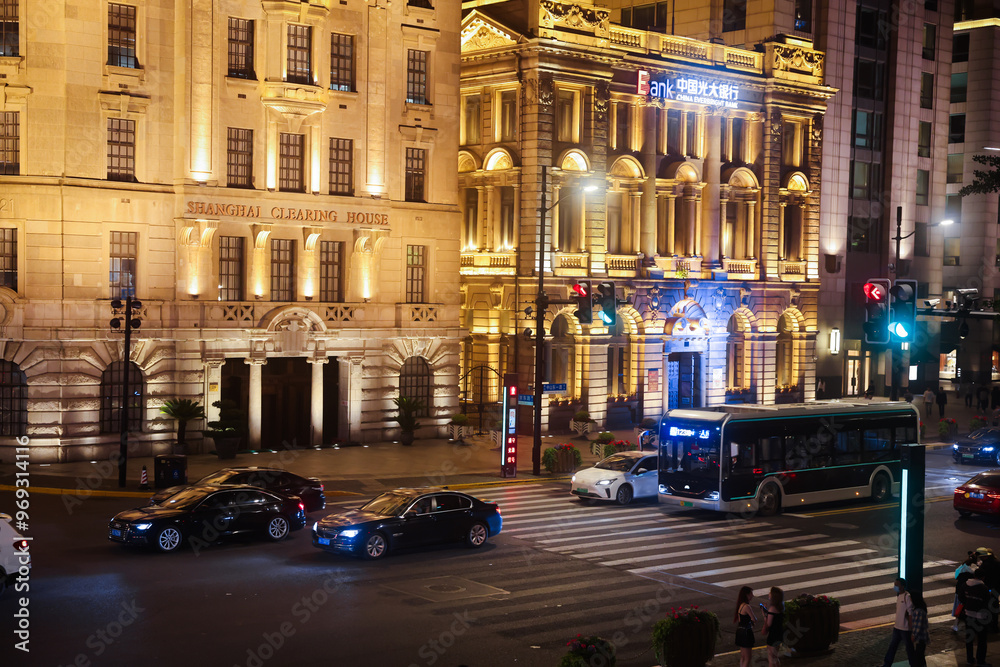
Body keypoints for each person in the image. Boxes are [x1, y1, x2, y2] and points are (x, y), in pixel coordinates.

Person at [959, 568, 991, 666]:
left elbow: (961, 597)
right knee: (982, 640)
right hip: (980, 617)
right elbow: (987, 602)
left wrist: (967, 604)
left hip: (968, 614)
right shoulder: (983, 588)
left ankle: (969, 659)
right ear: (983, 577)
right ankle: (980, 660)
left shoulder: (965, 585)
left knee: (969, 639)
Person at [881, 577, 914, 667]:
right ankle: (886, 664)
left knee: (909, 649)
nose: (895, 587)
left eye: (897, 585)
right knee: (892, 647)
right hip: (897, 627)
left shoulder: (907, 597)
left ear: (902, 587)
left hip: (905, 629)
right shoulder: (899, 596)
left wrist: (912, 630)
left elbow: (910, 613)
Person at [975, 546, 1000, 633]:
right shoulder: (997, 562)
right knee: (994, 606)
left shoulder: (985, 566)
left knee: (987, 607)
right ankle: (995, 626)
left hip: (988, 589)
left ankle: (989, 626)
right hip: (996, 589)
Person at [955, 551, 980, 632]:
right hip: (967, 593)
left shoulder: (963, 566)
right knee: (966, 610)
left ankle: (956, 625)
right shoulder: (973, 571)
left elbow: (956, 576)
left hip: (959, 591)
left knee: (960, 608)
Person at [734, 585, 756, 667]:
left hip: (740, 632)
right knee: (748, 658)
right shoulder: (747, 606)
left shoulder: (741, 605)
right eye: (751, 594)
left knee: (743, 657)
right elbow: (754, 619)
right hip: (746, 633)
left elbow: (741, 620)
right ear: (746, 595)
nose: (752, 595)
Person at [761, 586, 784, 667]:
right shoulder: (781, 607)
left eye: (770, 593)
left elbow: (768, 624)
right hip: (779, 634)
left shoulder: (772, 609)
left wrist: (764, 615)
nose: (769, 594)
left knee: (771, 658)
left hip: (773, 636)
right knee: (775, 657)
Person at [910, 592, 929, 667]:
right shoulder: (920, 609)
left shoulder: (919, 611)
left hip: (921, 637)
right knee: (920, 655)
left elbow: (918, 625)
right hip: (922, 637)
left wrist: (914, 635)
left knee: (918, 655)